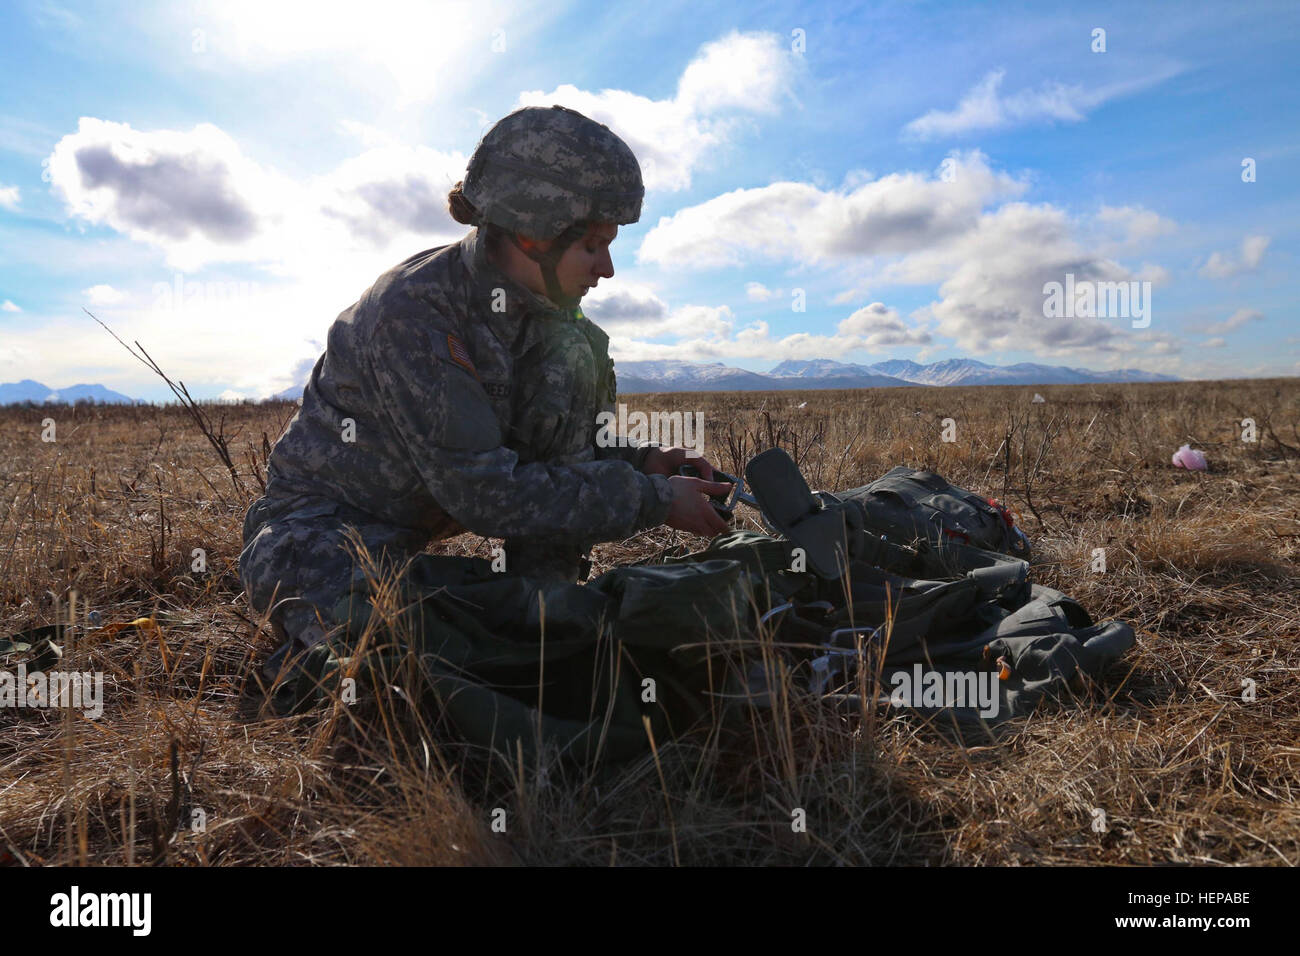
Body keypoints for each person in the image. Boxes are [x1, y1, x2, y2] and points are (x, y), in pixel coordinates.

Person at [238, 104, 732, 678]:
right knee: (406, 657)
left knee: (551, 640)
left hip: (409, 540)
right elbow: (484, 492)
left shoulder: (563, 332)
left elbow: (556, 453)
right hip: (321, 539)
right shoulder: (414, 314)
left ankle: (540, 618)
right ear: (531, 234)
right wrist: (655, 500)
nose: (608, 270)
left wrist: (648, 461)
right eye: (593, 245)